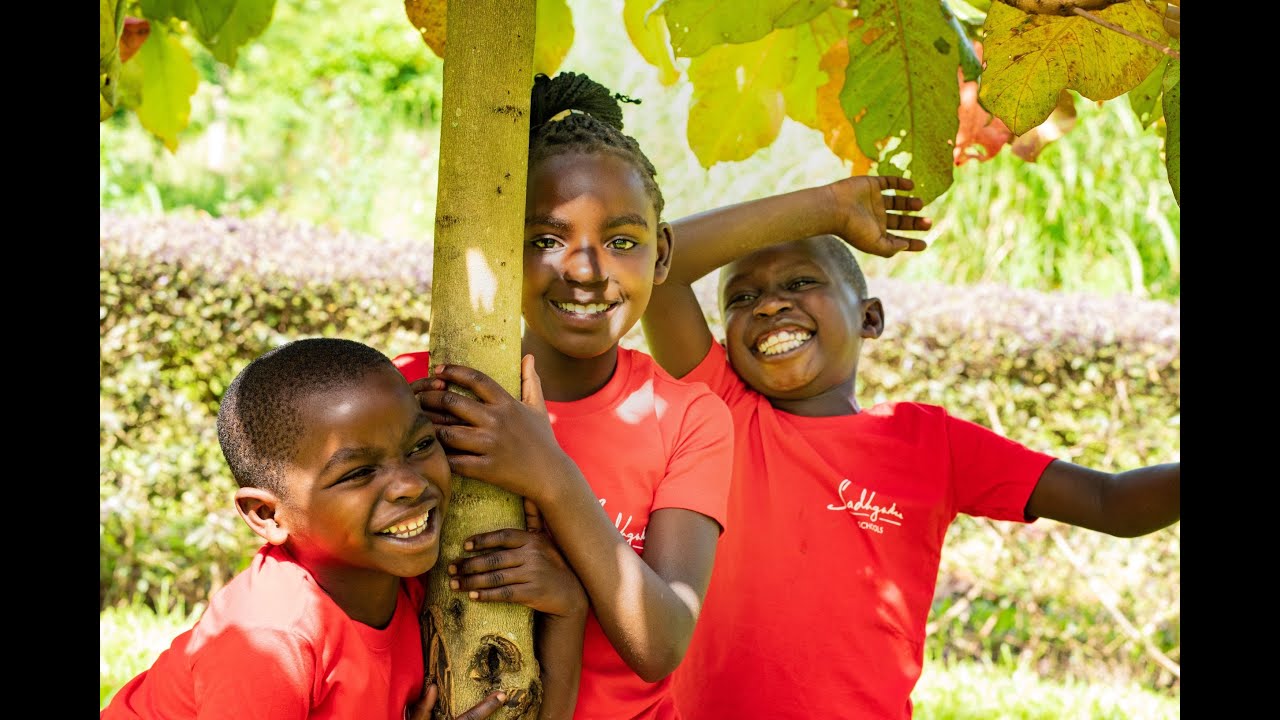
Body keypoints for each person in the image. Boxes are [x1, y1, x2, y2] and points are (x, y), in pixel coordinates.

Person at [635, 177, 1182, 719]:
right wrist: (828, 208)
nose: (770, 305)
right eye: (742, 297)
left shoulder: (931, 445)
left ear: (869, 318)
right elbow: (659, 272)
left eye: (801, 282)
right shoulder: (722, 410)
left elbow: (1112, 503)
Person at [393, 72, 734, 720]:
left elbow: (660, 644)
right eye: (547, 241)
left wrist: (549, 475)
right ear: (503, 247)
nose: (585, 270)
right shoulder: (425, 389)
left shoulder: (688, 419)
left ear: (661, 255)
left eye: (622, 242)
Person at [101, 337, 587, 720]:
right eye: (358, 473)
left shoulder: (414, 580)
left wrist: (568, 607)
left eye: (420, 446)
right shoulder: (271, 641)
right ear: (267, 515)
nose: (408, 485)